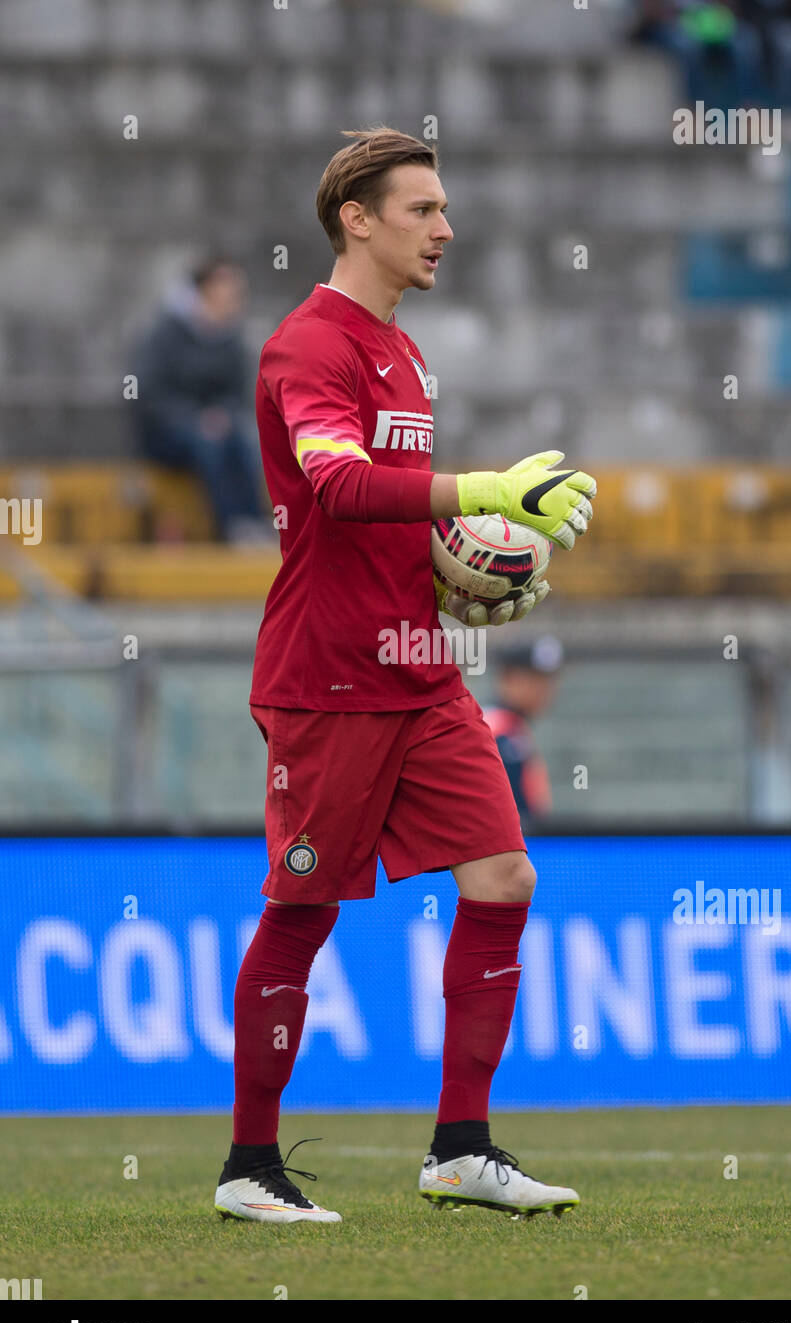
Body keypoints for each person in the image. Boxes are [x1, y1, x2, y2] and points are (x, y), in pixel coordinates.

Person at [213, 127, 596, 1227]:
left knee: (505, 879)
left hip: (421, 670)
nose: (445, 228)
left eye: (443, 208)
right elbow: (336, 487)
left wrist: (467, 581)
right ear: (357, 219)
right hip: (327, 677)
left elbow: (393, 517)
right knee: (304, 908)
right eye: (423, 209)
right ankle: (249, 1164)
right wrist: (482, 491)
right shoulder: (306, 346)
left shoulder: (405, 353)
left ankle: (461, 1148)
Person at [132, 256, 270, 544]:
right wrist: (195, 419)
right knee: (209, 442)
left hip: (217, 427)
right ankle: (231, 525)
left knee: (243, 438)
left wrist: (222, 415)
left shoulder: (230, 339)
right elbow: (150, 395)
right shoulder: (166, 334)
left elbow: (236, 392)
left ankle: (254, 520)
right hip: (167, 434)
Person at [483, 635, 565, 822]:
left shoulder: (514, 730)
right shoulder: (496, 734)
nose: (543, 689)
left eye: (548, 680)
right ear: (506, 679)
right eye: (532, 679)